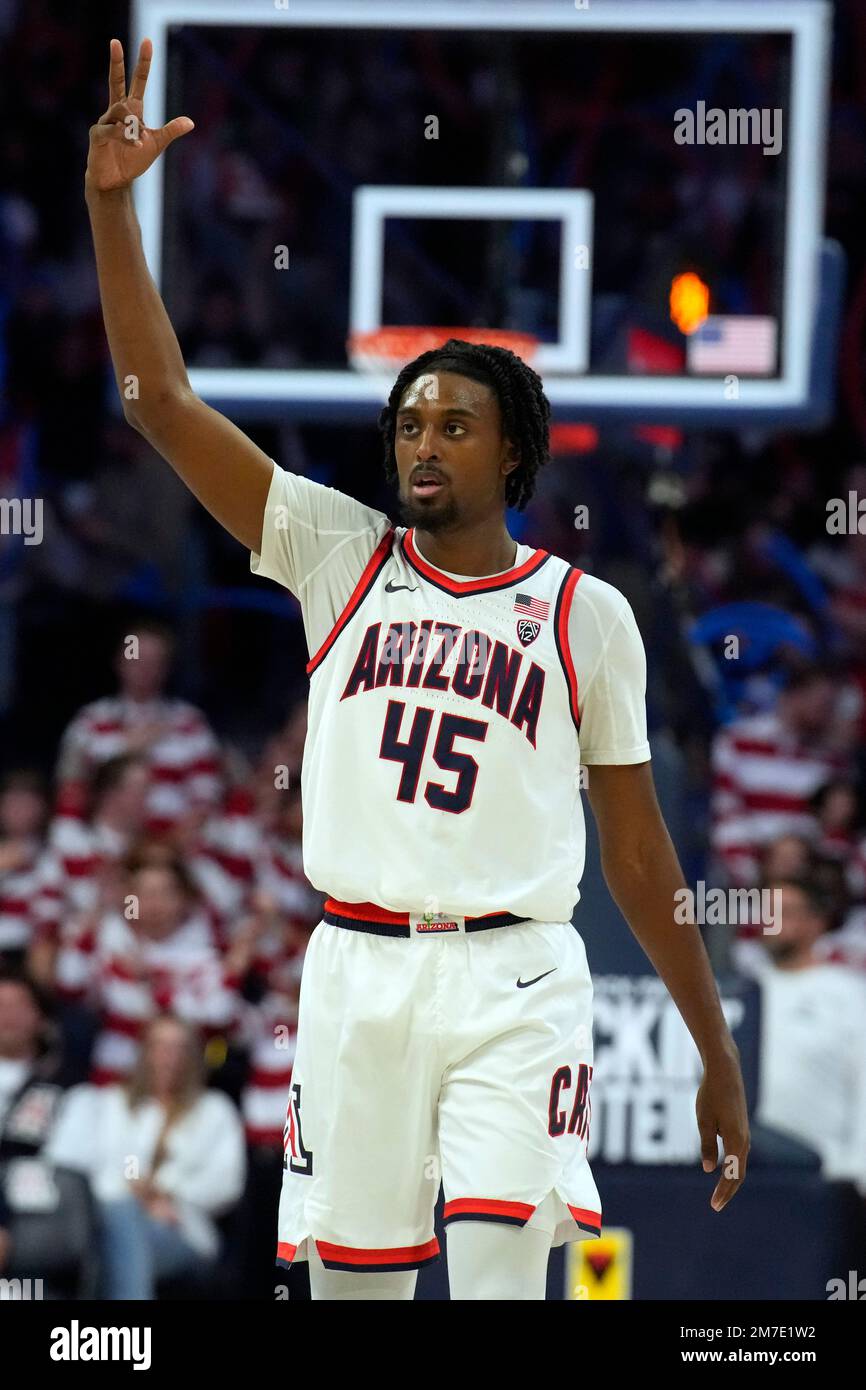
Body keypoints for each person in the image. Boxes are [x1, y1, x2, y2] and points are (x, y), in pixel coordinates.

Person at [84, 37, 749, 1301]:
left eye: (454, 421)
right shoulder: (335, 552)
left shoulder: (582, 611)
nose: (421, 439)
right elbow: (156, 401)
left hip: (515, 975)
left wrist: (710, 1047)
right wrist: (113, 211)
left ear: (515, 457)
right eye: (407, 422)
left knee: (503, 1282)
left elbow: (640, 853)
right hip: (353, 973)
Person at [47, 1013, 246, 1299]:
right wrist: (134, 1193)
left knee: (115, 1242)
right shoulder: (112, 1104)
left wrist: (167, 1193)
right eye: (161, 1046)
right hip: (105, 1219)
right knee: (120, 1220)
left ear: (194, 1056)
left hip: (181, 1230)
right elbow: (83, 1167)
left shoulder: (214, 1110)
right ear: (144, 1052)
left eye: (180, 1048)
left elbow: (227, 1183)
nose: (170, 1057)